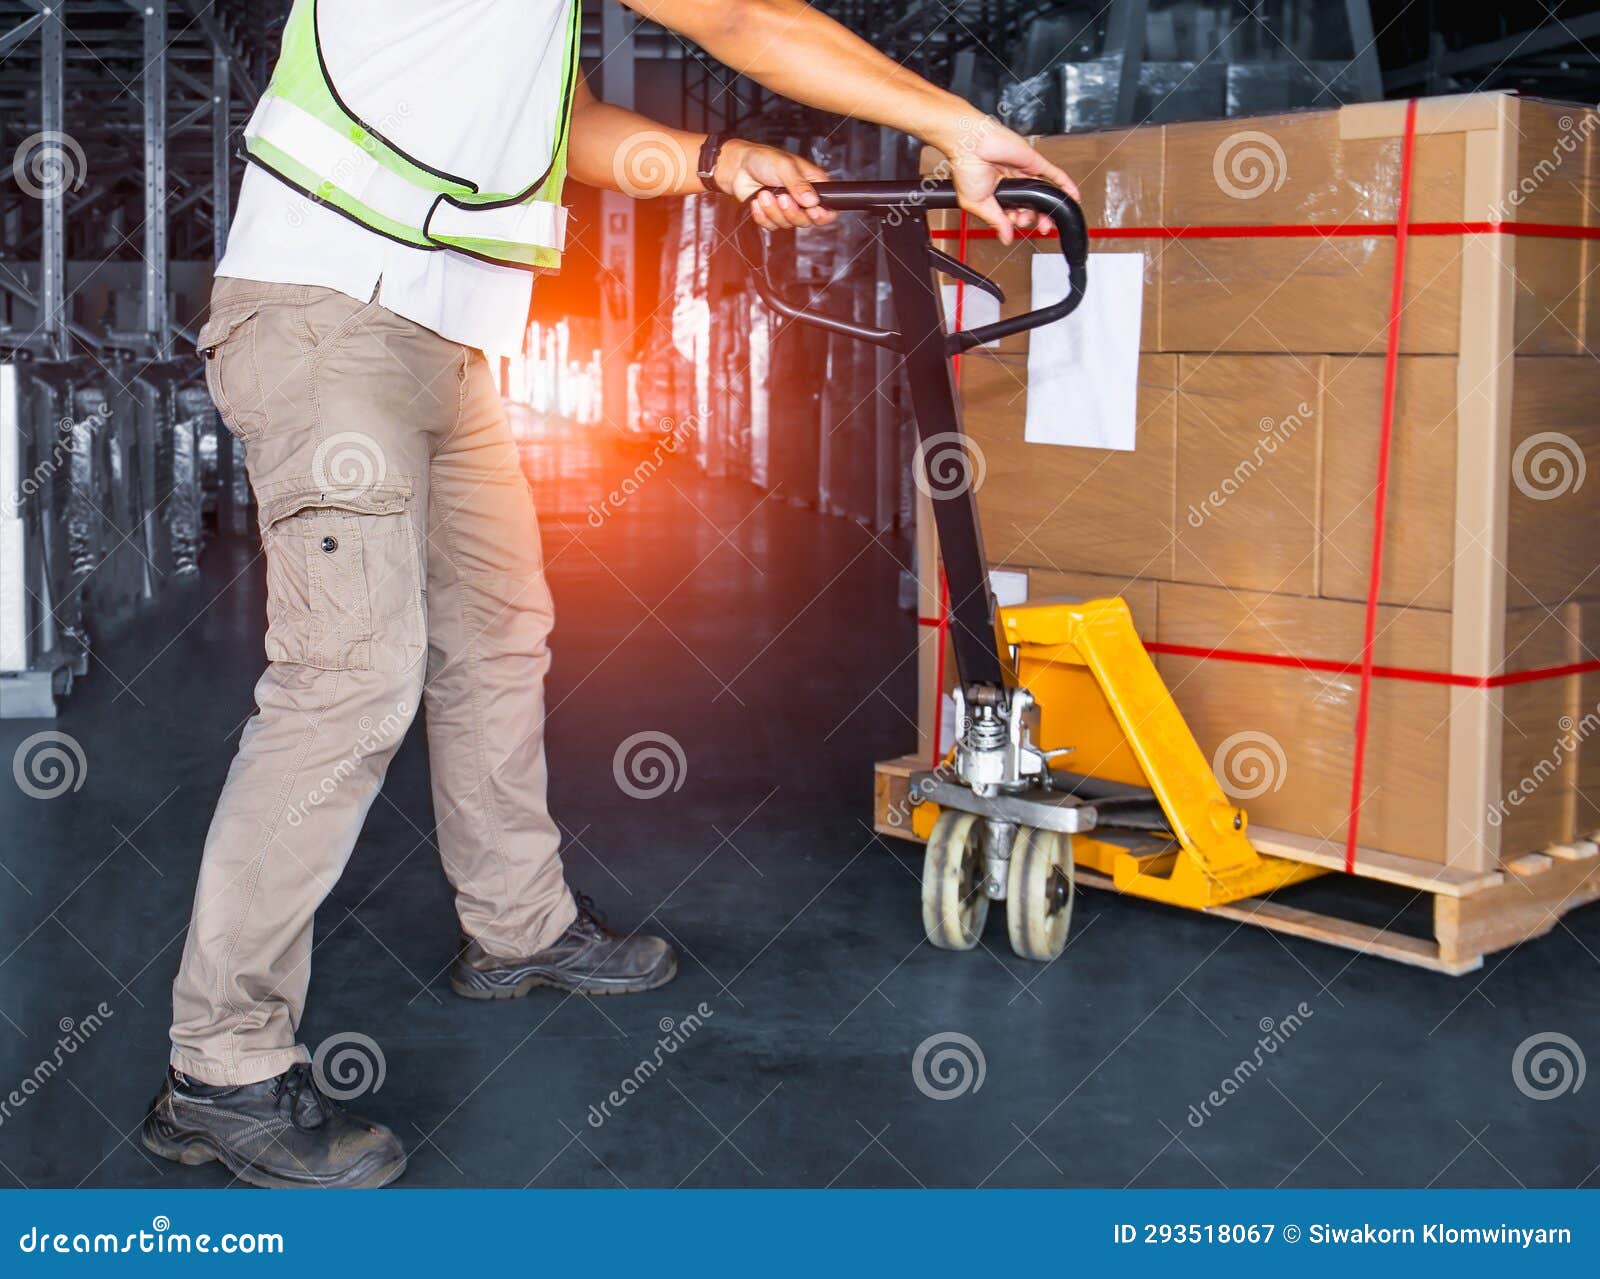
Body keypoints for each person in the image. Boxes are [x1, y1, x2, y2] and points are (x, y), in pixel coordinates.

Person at [142, 0, 1078, 1189]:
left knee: (497, 634)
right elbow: (740, 15)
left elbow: (563, 126)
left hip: (449, 337)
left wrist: (713, 163)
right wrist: (952, 122)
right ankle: (219, 1071)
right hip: (333, 312)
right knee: (349, 679)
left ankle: (517, 932)